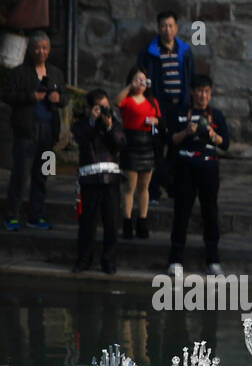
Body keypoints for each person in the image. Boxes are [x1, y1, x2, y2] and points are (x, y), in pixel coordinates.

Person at [167, 75, 229, 277]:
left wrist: (212, 135)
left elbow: (225, 143)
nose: (203, 95)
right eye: (200, 91)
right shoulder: (180, 112)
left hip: (209, 168)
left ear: (210, 94)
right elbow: (171, 140)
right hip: (185, 167)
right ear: (192, 92)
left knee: (210, 212)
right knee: (181, 213)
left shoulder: (216, 115)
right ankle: (175, 260)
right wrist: (187, 132)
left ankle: (213, 260)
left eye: (207, 92)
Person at [4, 32, 63, 231]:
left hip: (49, 132)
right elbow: (7, 95)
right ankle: (12, 215)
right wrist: (31, 97)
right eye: (37, 48)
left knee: (44, 174)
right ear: (30, 49)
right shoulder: (19, 72)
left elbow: (64, 98)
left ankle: (36, 216)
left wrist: (59, 99)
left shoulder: (55, 73)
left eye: (45, 48)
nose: (41, 52)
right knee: (20, 175)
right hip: (26, 131)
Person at [137, 11, 194, 202]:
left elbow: (191, 79)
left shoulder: (184, 51)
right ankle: (153, 191)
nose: (167, 30)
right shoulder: (150, 52)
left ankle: (171, 186)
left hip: (179, 105)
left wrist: (190, 105)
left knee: (177, 147)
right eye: (163, 26)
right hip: (158, 107)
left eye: (170, 26)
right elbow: (142, 78)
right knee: (156, 146)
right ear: (158, 28)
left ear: (176, 28)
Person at [72, 90, 125, 275]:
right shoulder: (81, 124)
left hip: (110, 179)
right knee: (87, 224)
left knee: (111, 223)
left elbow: (119, 144)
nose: (103, 110)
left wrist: (109, 126)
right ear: (91, 108)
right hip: (90, 179)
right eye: (99, 107)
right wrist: (93, 122)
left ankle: (108, 261)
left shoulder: (115, 123)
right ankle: (84, 260)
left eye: (105, 106)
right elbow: (82, 139)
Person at [116, 65, 163, 241]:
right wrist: (130, 86)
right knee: (129, 186)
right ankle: (127, 222)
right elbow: (117, 102)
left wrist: (155, 121)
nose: (141, 83)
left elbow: (158, 119)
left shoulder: (152, 101)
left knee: (144, 187)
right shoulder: (127, 100)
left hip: (147, 145)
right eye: (138, 80)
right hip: (131, 144)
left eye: (143, 80)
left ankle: (142, 221)